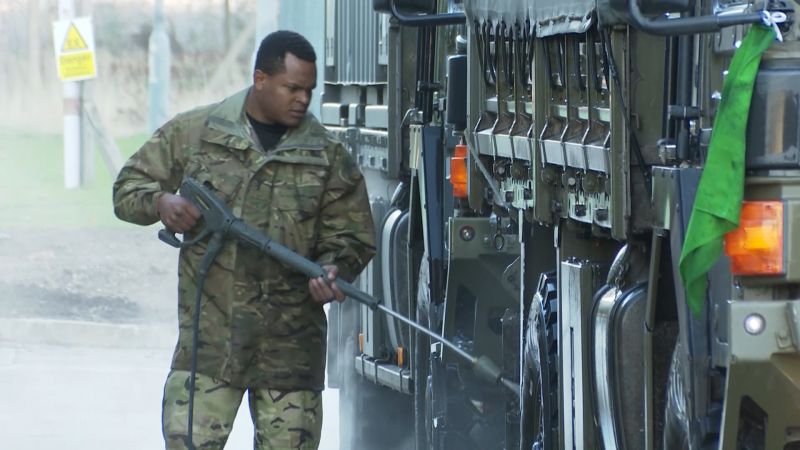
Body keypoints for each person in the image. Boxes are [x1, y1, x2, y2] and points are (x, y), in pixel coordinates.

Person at [113, 30, 376, 450]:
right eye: (292, 87)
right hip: (210, 348)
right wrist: (161, 202)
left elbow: (353, 235)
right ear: (260, 79)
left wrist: (334, 267)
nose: (302, 99)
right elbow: (127, 189)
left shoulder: (327, 156)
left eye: (309, 90)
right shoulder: (197, 133)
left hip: (290, 354)